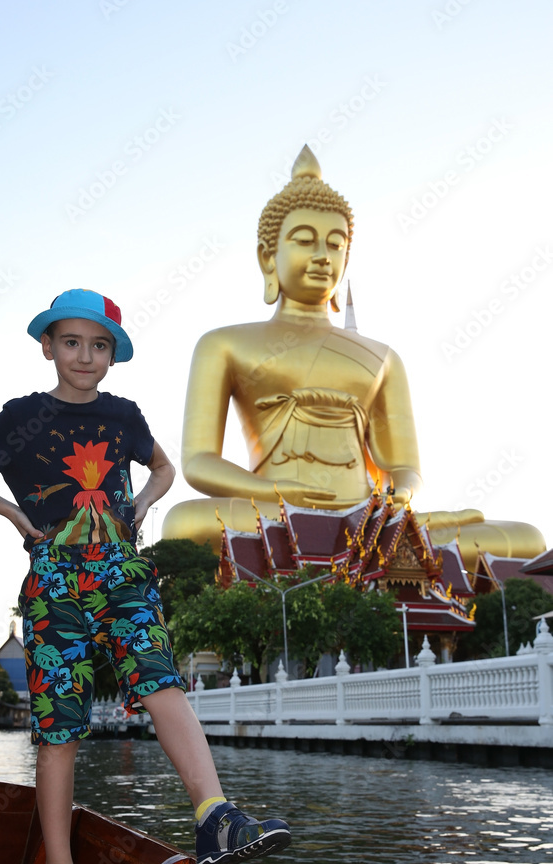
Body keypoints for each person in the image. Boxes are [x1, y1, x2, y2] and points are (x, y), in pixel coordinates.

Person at [0, 288, 290, 864]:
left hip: (123, 570)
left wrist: (145, 504)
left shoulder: (123, 415)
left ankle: (213, 816)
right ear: (48, 347)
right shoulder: (22, 416)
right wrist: (13, 513)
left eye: (98, 345)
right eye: (71, 342)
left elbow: (163, 468)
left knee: (161, 682)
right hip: (55, 579)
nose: (84, 355)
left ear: (111, 355)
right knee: (59, 727)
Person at [162, 146, 544, 564]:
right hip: (275, 511)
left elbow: (404, 467)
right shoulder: (223, 344)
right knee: (186, 523)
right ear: (268, 258)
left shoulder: (382, 357)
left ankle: (370, 545)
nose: (323, 256)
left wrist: (400, 493)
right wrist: (276, 491)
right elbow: (199, 462)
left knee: (526, 538)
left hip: (368, 518)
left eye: (336, 244)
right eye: (304, 241)